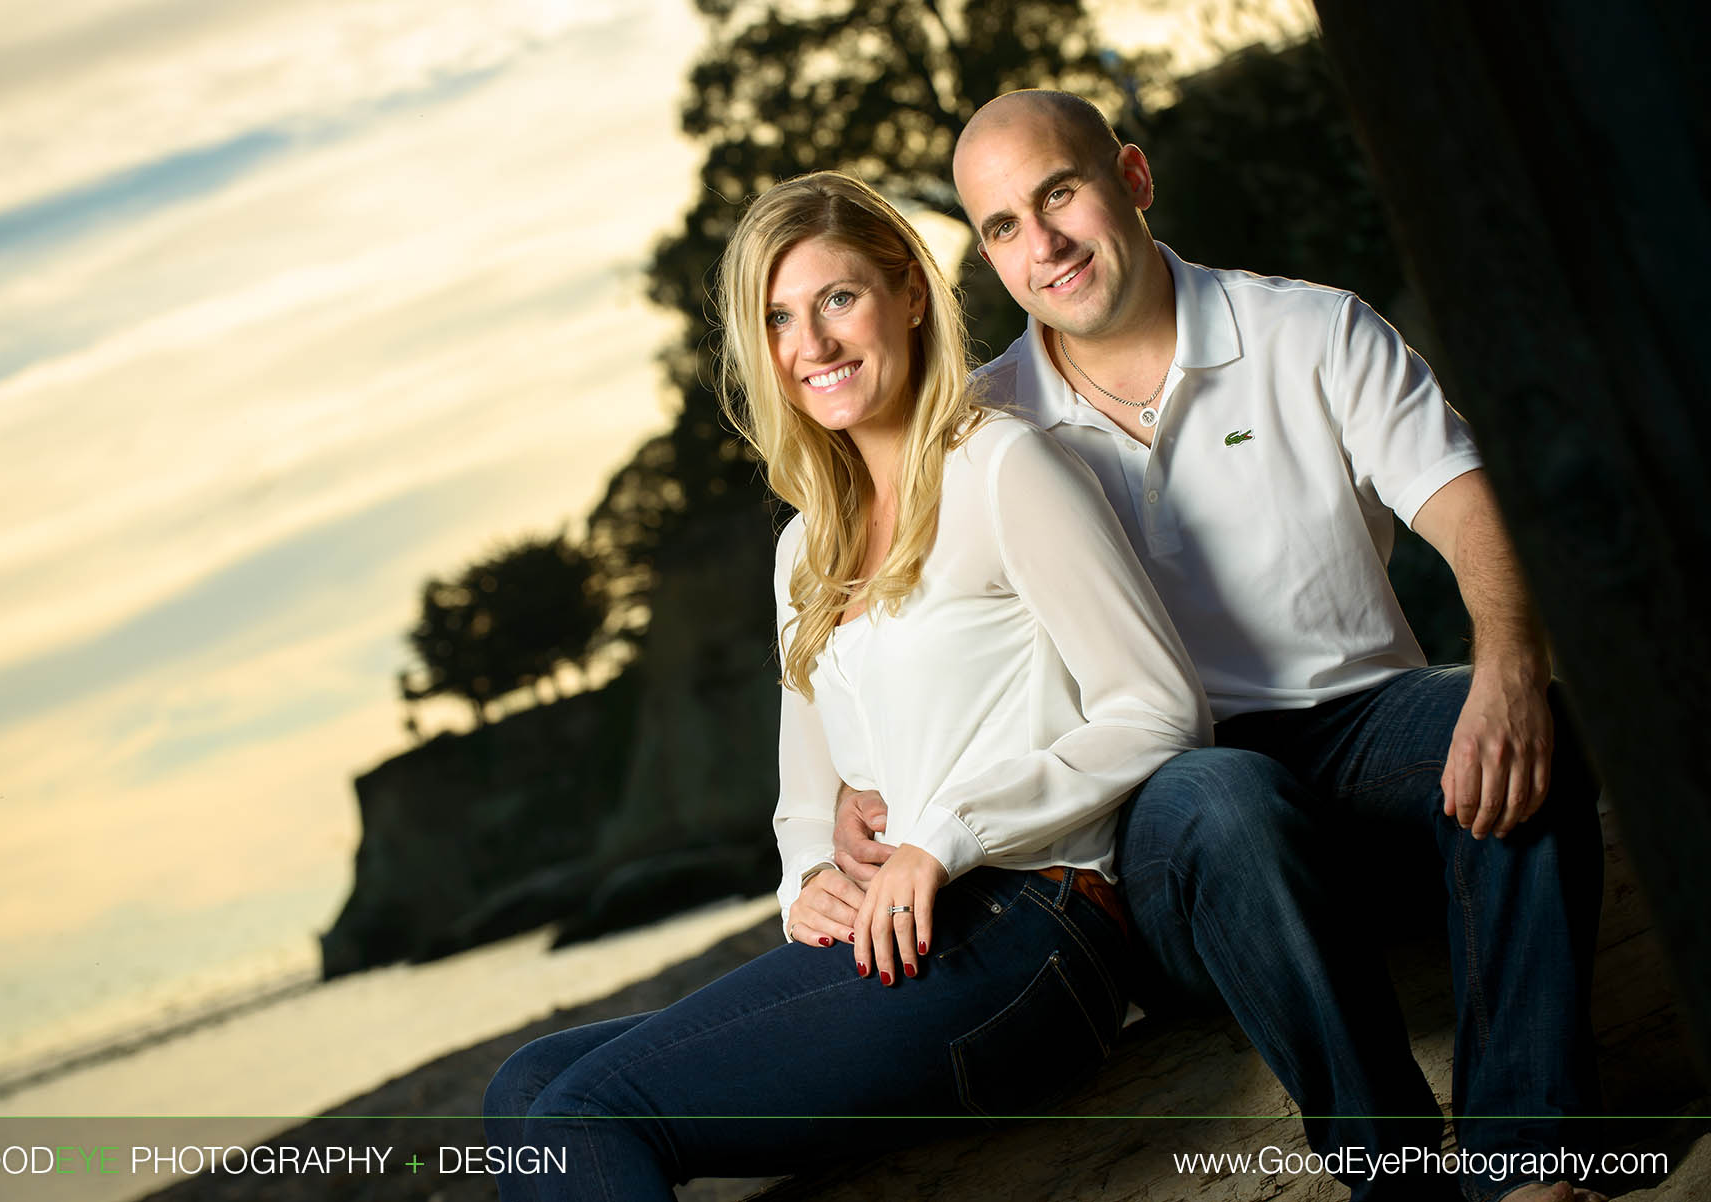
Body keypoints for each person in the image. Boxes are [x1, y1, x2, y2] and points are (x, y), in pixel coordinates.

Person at [831, 91, 1606, 1202]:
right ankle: (1401, 1185)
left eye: (1059, 193)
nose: (1041, 245)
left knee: (1539, 725)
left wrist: (1508, 671)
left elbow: (1471, 505)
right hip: (1161, 813)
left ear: (1133, 179)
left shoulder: (1310, 330)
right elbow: (917, 639)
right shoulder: (984, 432)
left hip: (1358, 739)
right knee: (1228, 792)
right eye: (1001, 226)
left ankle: (1529, 1167)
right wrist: (858, 798)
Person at [480, 170, 1211, 1200]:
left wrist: (945, 832)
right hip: (899, 941)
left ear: (909, 290)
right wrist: (807, 883)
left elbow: (1161, 706)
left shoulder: (1005, 468)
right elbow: (804, 802)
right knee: (526, 1084)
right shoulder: (802, 554)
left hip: (1035, 929)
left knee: (585, 1112)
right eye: (779, 318)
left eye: (837, 299)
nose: (811, 345)